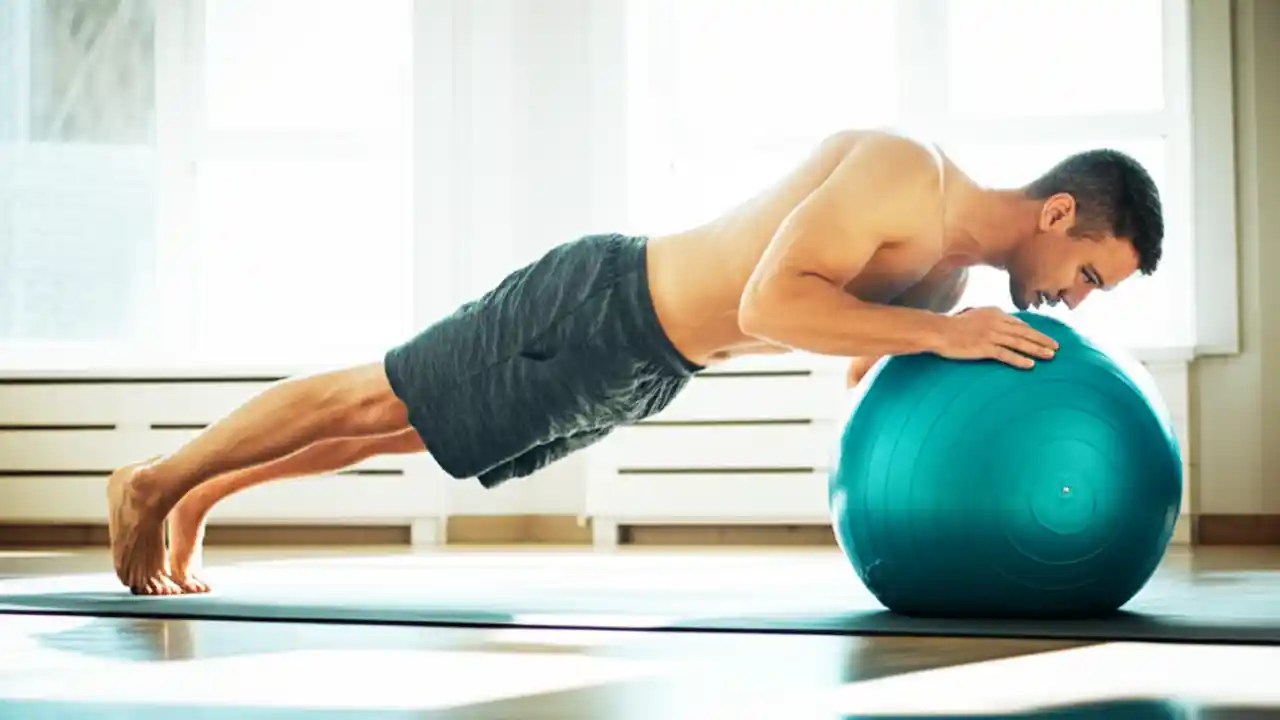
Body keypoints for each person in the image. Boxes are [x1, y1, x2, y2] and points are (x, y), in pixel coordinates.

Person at [107, 129, 1164, 594]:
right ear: (1058, 212)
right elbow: (769, 299)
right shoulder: (905, 175)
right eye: (1087, 274)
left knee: (407, 429)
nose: (1075, 303)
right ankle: (151, 483)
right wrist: (938, 338)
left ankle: (201, 503)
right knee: (376, 389)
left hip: (645, 370)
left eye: (1091, 297)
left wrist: (933, 358)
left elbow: (847, 355)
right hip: (603, 300)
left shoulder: (944, 288)